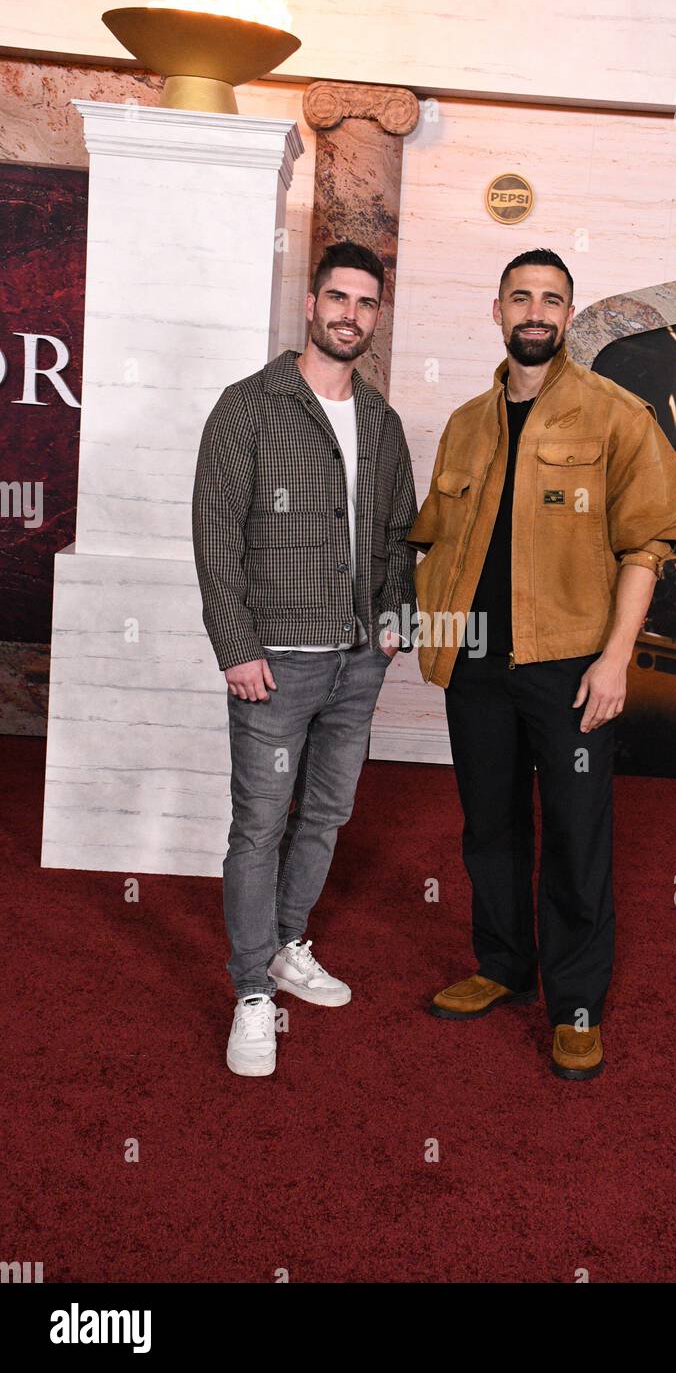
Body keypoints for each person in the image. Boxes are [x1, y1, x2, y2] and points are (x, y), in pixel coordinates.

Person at [406, 248, 676, 1080]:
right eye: (521, 297)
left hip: (569, 666)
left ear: (569, 317)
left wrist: (615, 660)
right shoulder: (465, 423)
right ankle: (502, 967)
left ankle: (575, 1004)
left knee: (576, 837)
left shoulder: (615, 415)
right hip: (475, 662)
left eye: (553, 300)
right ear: (497, 311)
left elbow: (650, 541)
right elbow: (433, 539)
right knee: (489, 827)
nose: (536, 311)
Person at [192, 241, 417, 1077]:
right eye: (336, 297)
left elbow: (399, 534)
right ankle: (252, 990)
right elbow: (215, 537)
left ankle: (288, 944)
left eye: (364, 302)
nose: (348, 314)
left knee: (325, 817)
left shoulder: (382, 422)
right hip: (275, 663)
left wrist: (396, 619)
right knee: (259, 823)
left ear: (376, 316)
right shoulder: (247, 406)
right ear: (311, 303)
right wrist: (237, 645)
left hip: (358, 661)